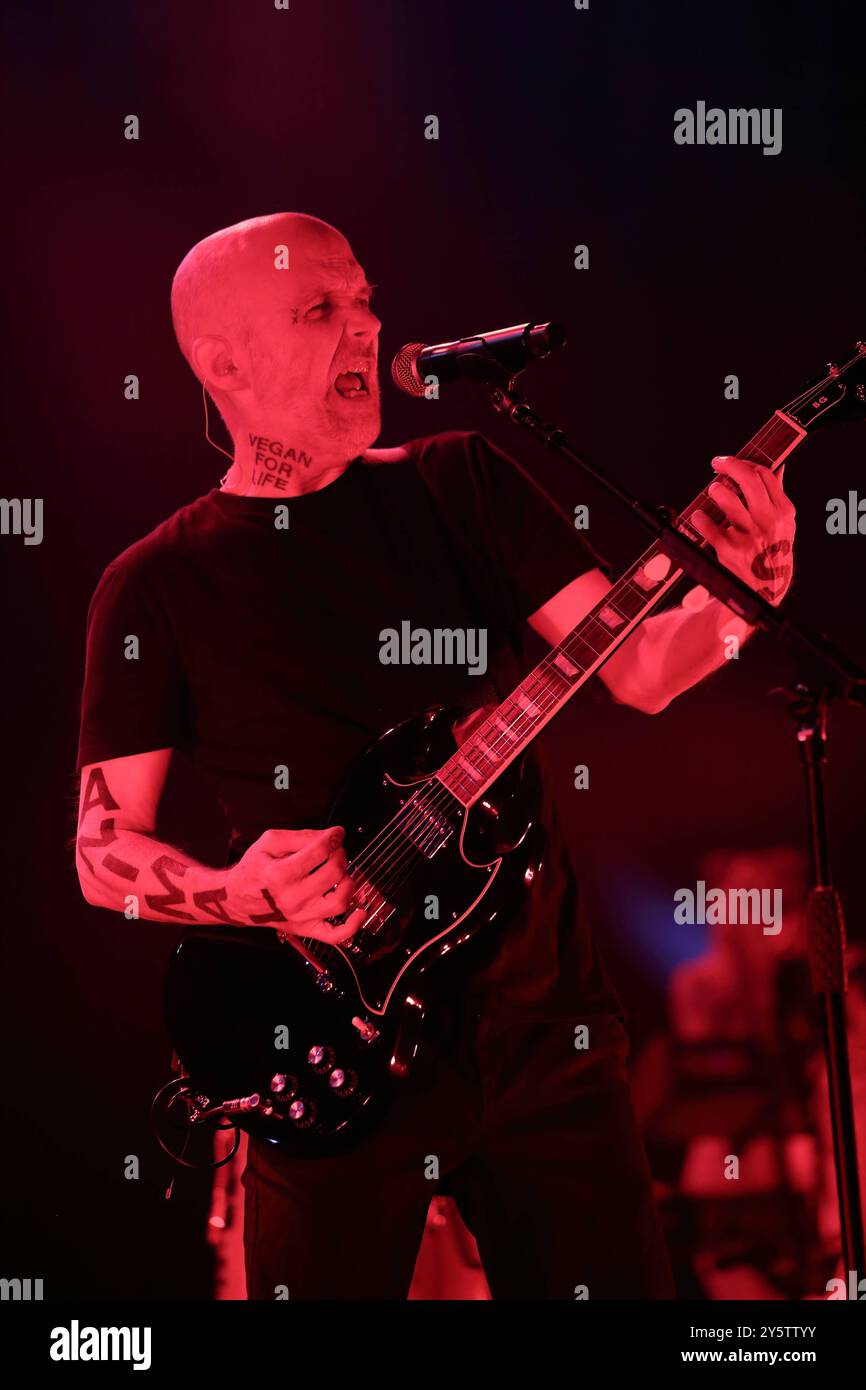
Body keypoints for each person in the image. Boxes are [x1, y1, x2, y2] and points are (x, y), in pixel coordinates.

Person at [74, 212, 797, 1299]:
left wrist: (746, 596)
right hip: (325, 1041)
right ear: (222, 362)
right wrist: (234, 891)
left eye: (364, 298)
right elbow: (99, 851)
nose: (366, 326)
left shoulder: (460, 482)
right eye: (322, 307)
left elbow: (640, 668)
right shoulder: (154, 584)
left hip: (542, 1032)